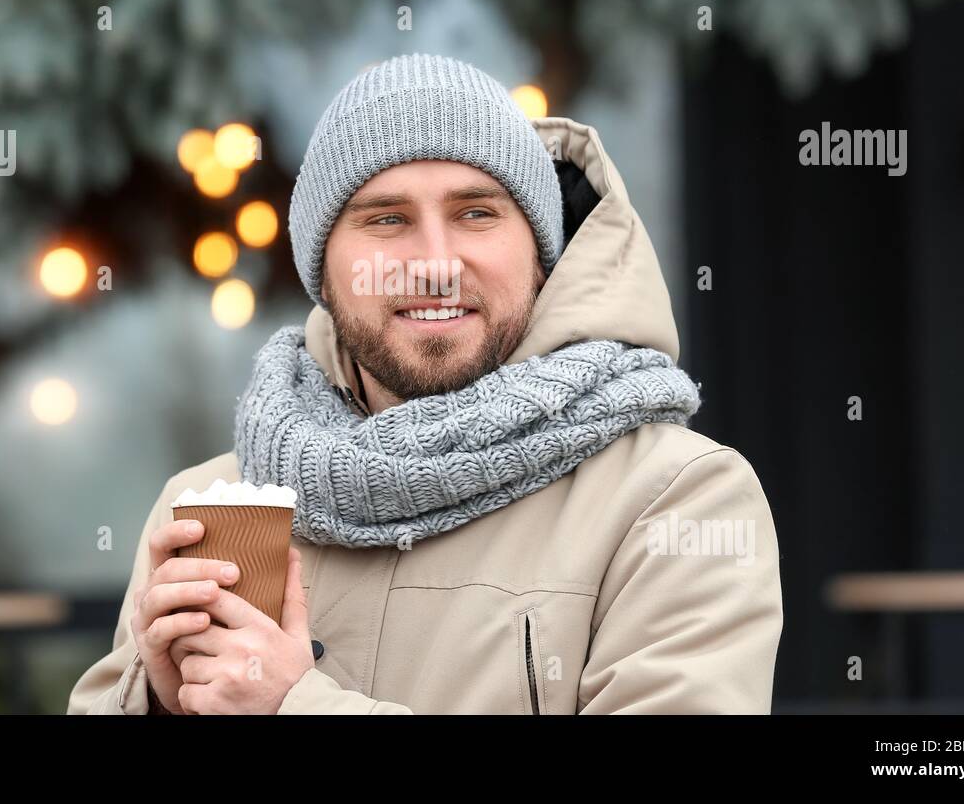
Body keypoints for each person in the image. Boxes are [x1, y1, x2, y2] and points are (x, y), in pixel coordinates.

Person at [67, 52, 783, 715]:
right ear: (324, 270)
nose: (435, 264)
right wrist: (161, 703)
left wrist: (297, 707)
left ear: (540, 250)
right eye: (386, 219)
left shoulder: (676, 498)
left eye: (476, 213)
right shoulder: (207, 511)